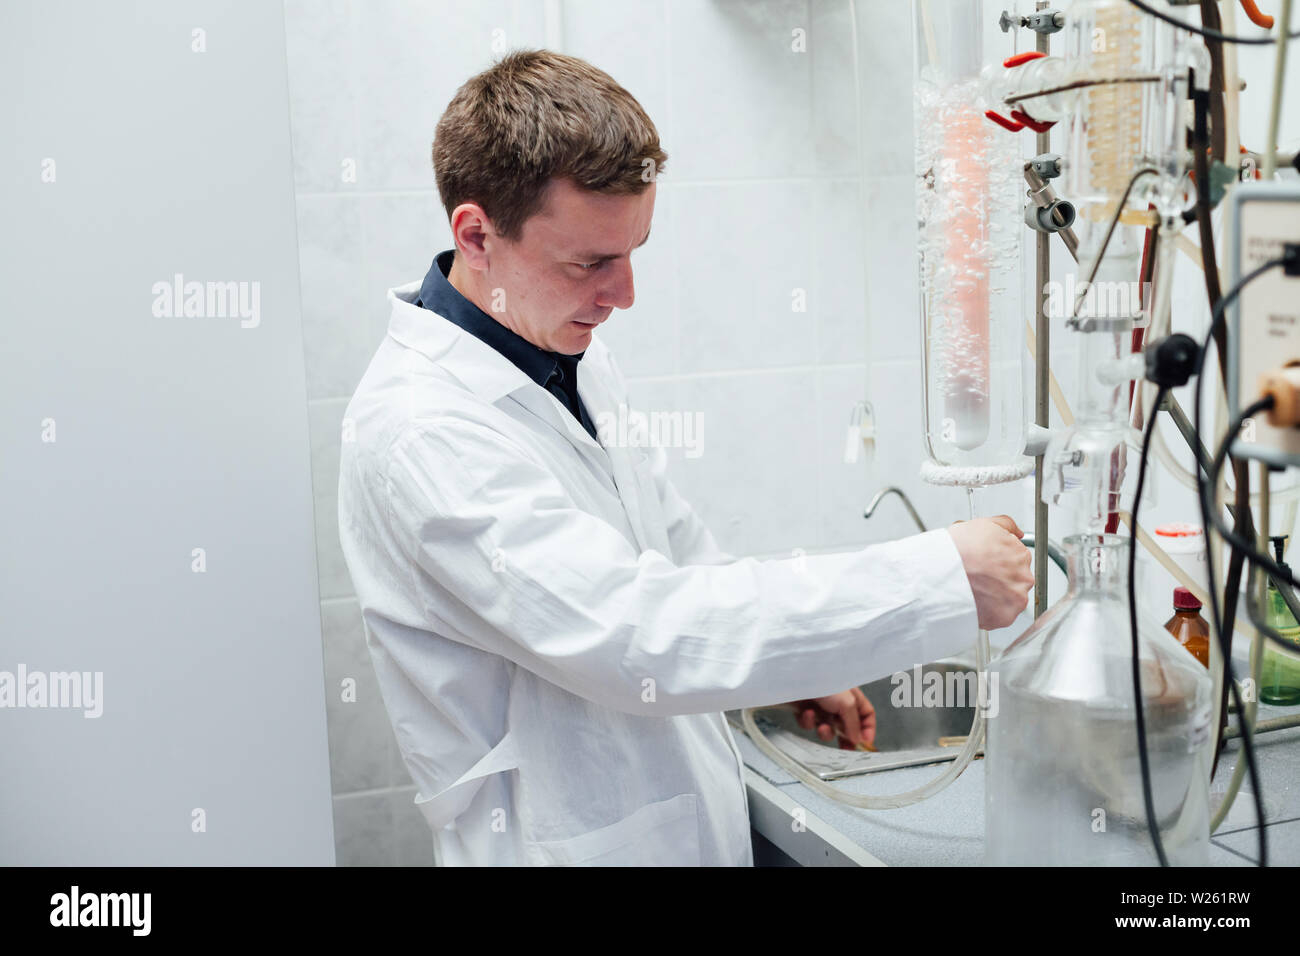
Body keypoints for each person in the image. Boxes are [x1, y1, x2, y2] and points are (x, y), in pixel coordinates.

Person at [338, 49, 1033, 866]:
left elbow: (674, 554)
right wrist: (938, 576)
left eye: (634, 249)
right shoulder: (423, 434)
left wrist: (792, 669)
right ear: (476, 234)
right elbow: (645, 636)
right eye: (592, 261)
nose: (624, 292)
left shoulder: (564, 348)